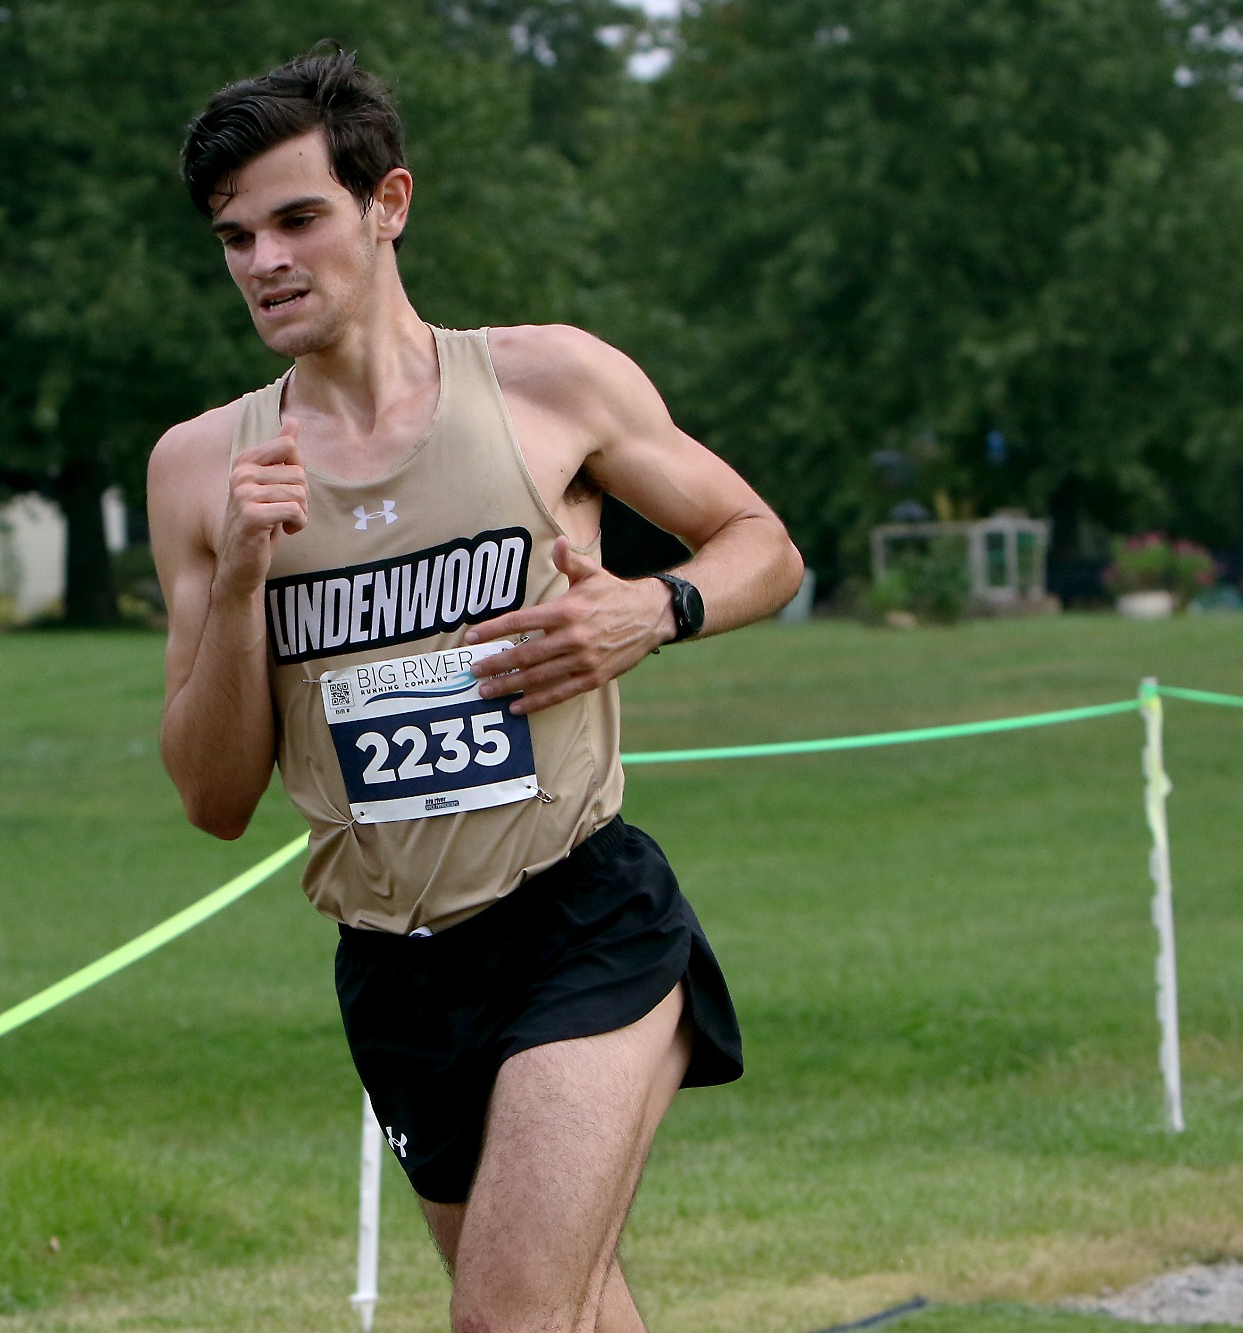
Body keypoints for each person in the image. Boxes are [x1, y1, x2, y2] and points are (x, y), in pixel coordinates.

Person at [149, 48, 803, 1333]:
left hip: (576, 916)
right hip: (391, 969)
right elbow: (213, 798)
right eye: (235, 238)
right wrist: (237, 584)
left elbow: (763, 546)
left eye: (297, 218)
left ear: (386, 204)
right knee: (570, 1309)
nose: (265, 261)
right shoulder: (197, 471)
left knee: (504, 1318)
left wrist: (649, 607)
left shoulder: (546, 382)